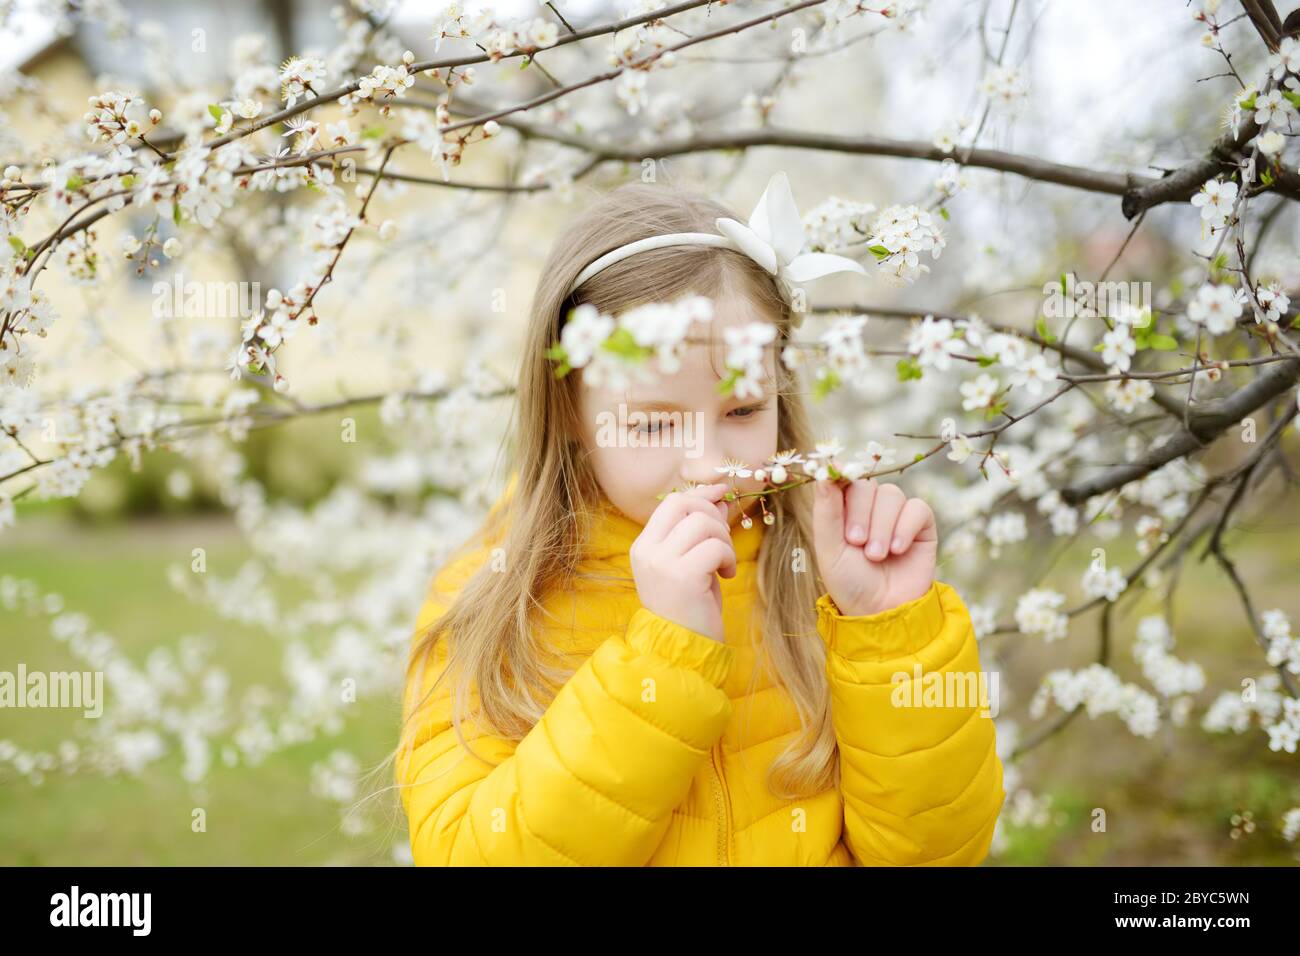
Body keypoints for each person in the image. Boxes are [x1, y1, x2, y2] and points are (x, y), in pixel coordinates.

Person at [394, 171, 1005, 866]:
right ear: (568, 410)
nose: (708, 465)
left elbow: (936, 854)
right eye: (653, 425)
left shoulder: (821, 574)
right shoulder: (493, 598)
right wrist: (663, 658)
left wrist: (891, 637)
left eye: (743, 412)